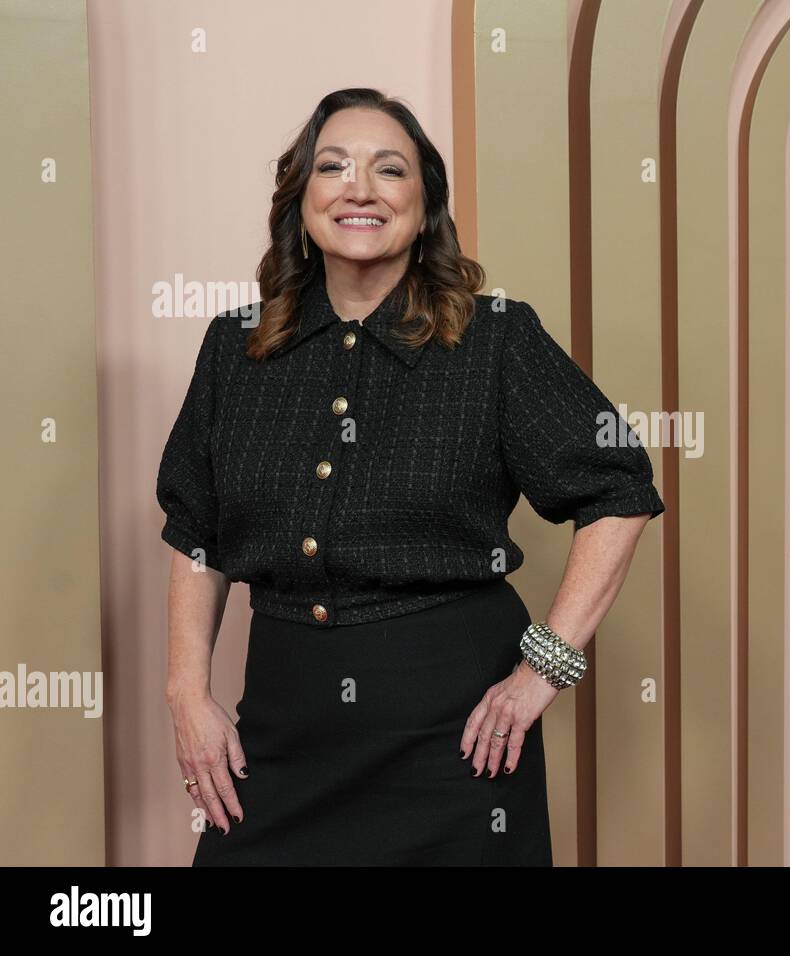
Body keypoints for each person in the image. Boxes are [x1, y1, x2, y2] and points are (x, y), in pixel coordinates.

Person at [156, 88, 665, 865]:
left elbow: (618, 490)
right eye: (334, 166)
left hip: (455, 743)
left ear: (424, 206)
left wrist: (544, 668)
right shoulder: (236, 348)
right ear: (303, 200)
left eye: (388, 170)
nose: (359, 188)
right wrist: (187, 694)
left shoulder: (495, 339)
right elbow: (197, 531)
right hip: (283, 730)